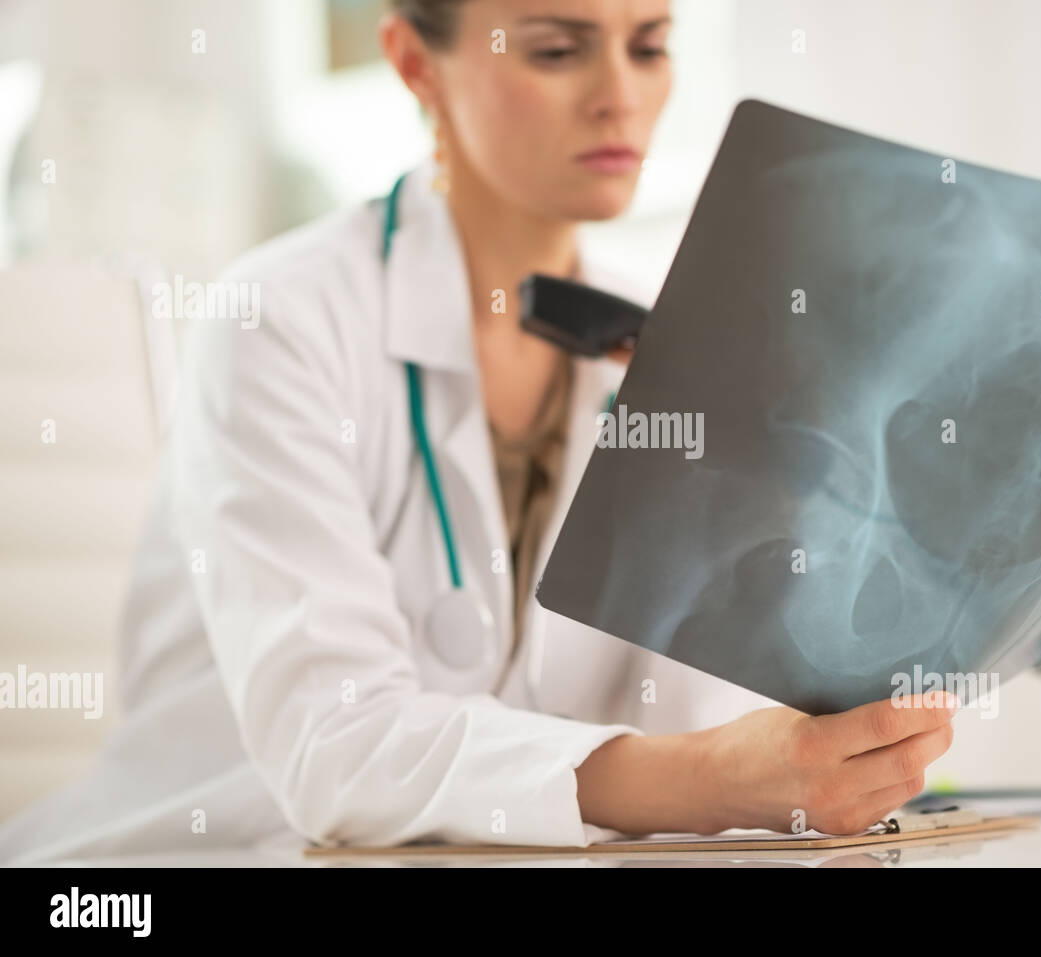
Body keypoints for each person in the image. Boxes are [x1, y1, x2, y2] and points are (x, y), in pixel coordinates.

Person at [0, 0, 955, 863]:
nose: (621, 96)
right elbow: (337, 749)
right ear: (414, 62)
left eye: (650, 45)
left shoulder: (672, 337)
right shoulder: (280, 317)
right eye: (555, 49)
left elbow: (714, 719)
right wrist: (718, 778)